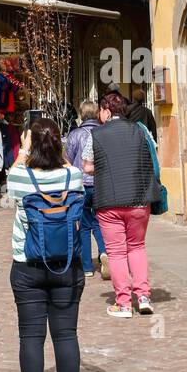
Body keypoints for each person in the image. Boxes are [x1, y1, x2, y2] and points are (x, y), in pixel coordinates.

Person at [6, 118, 85, 372]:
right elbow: (68, 164)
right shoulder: (73, 176)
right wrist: (57, 147)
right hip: (67, 265)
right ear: (59, 144)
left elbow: (16, 168)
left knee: (31, 336)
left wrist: (26, 148)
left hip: (28, 265)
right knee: (66, 335)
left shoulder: (20, 178)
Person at [81, 90, 159, 319]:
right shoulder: (140, 130)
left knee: (116, 252)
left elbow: (86, 167)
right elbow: (152, 154)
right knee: (137, 247)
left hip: (109, 200)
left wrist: (108, 166)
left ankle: (124, 302)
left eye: (100, 111)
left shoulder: (95, 135)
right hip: (138, 198)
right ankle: (143, 296)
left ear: (106, 111)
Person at [65, 101, 109, 280]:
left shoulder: (75, 135)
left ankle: (87, 266)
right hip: (100, 183)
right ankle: (104, 253)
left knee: (83, 226)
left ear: (81, 115)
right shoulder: (103, 133)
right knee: (100, 222)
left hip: (81, 185)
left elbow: (67, 158)